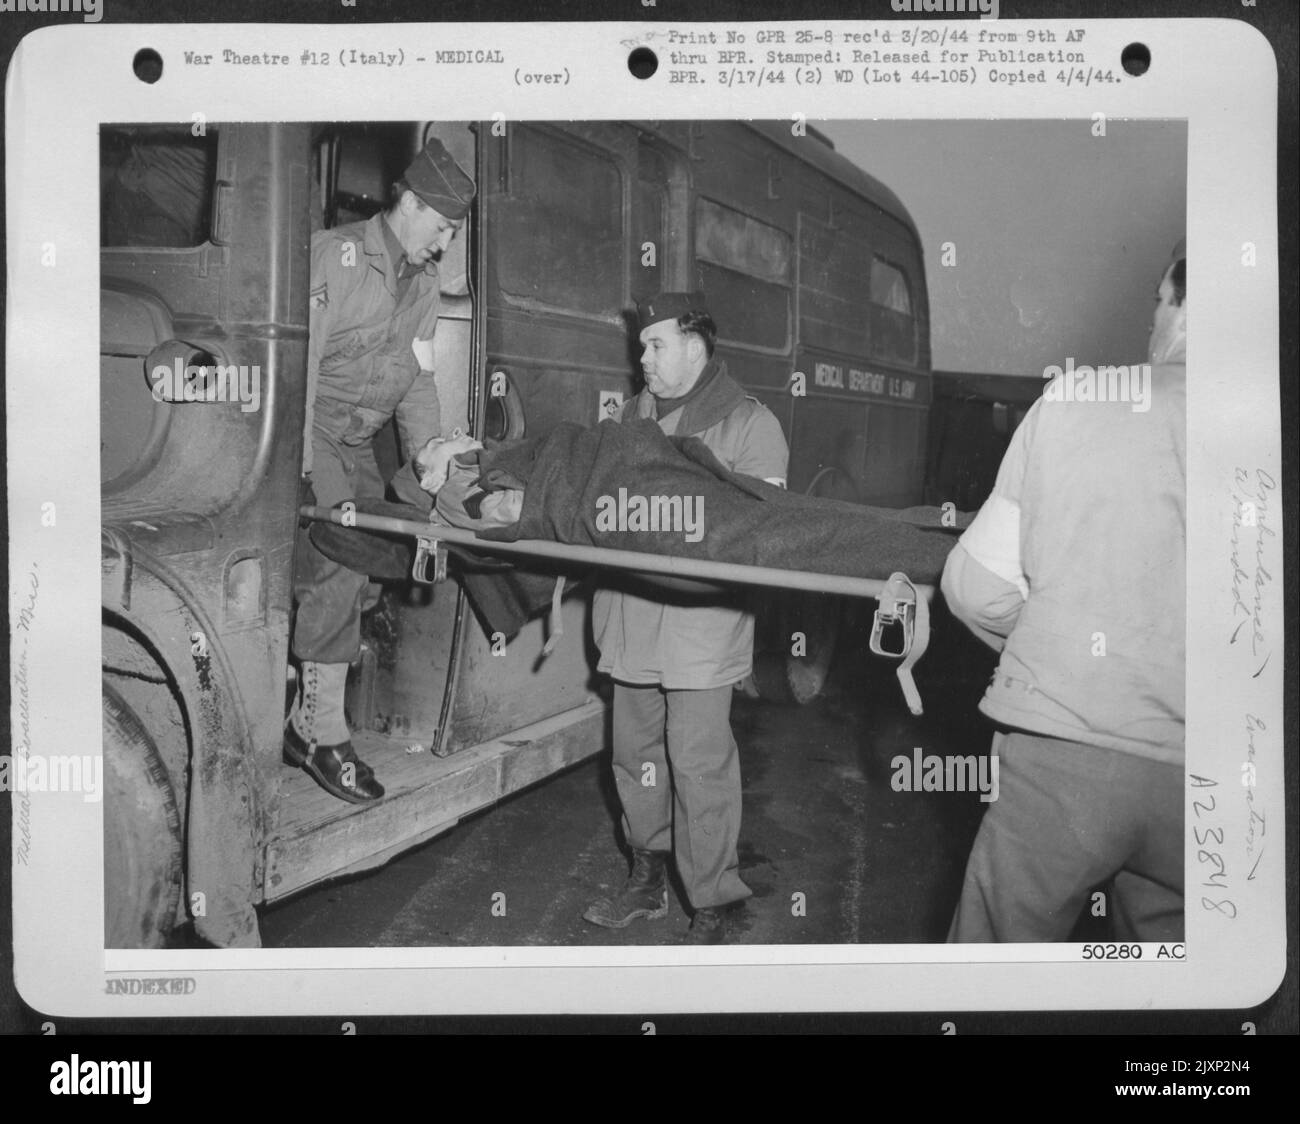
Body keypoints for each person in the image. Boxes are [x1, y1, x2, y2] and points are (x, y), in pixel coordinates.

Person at [942, 246, 1187, 942]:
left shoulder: (1081, 397)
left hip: (1064, 751)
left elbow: (975, 588)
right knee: (1186, 986)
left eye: (1155, 307)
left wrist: (1051, 639)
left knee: (995, 965)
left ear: (1175, 292)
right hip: (1219, 781)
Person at [584, 292, 789, 943]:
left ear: (697, 345)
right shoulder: (628, 417)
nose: (640, 358)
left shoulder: (751, 425)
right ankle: (646, 876)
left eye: (655, 345)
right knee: (634, 755)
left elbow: (759, 533)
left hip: (700, 623)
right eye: (641, 345)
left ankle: (713, 898)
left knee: (698, 761)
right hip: (629, 614)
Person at [283, 137, 476, 804]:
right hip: (310, 430)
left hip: (361, 442)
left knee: (382, 560)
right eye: (444, 226)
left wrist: (429, 457)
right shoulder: (334, 256)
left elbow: (418, 379)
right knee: (340, 555)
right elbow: (298, 371)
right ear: (411, 202)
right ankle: (321, 732)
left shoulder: (421, 285)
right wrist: (309, 468)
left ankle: (302, 700)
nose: (446, 244)